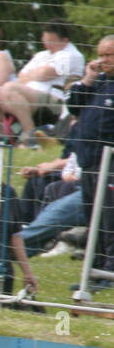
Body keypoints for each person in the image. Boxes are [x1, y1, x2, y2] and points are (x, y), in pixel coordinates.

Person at [0, 21, 84, 147]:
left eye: (51, 41)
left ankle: (30, 137)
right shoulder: (42, 55)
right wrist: (36, 74)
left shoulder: (72, 55)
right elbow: (21, 76)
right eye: (45, 40)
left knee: (10, 87)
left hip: (53, 99)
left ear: (64, 40)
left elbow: (45, 73)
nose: (46, 45)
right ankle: (1, 138)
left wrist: (32, 75)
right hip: (23, 96)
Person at [63, 34, 114, 289]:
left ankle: (109, 274)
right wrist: (87, 79)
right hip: (90, 163)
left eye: (109, 55)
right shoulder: (98, 83)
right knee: (92, 218)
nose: (102, 60)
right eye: (101, 54)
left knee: (109, 219)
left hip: (111, 165)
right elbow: (73, 107)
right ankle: (94, 272)